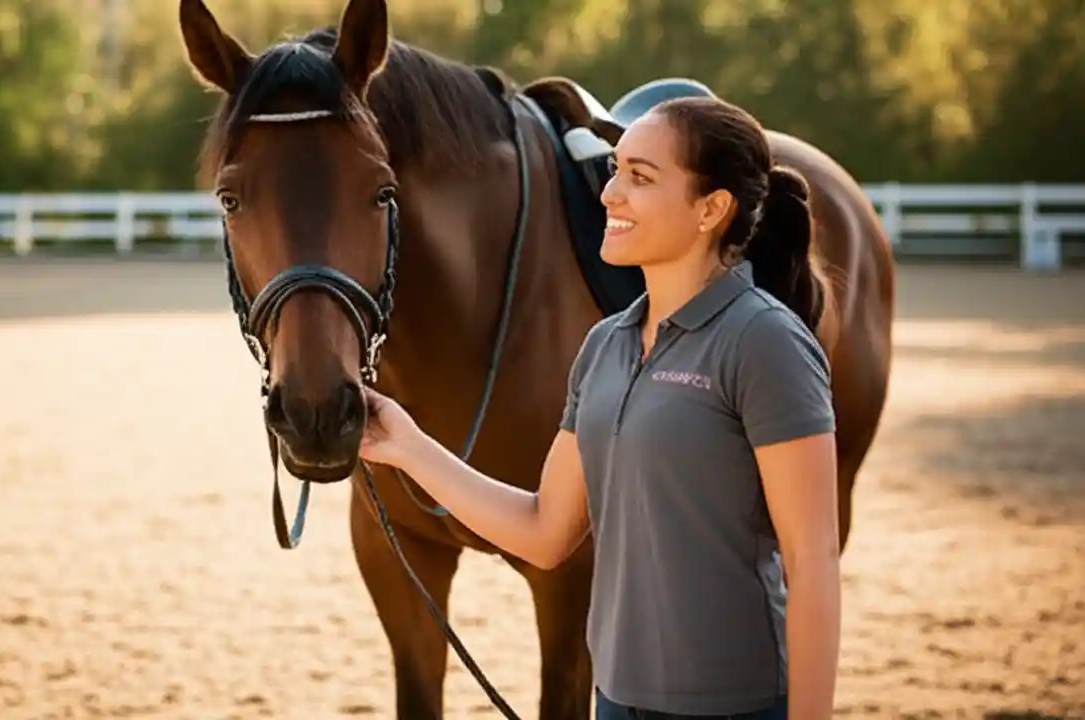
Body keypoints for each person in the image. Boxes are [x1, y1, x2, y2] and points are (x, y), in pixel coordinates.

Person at [359, 96, 840, 720]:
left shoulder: (765, 342)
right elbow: (543, 531)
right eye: (616, 170)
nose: (610, 193)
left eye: (640, 177)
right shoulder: (605, 345)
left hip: (736, 703)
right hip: (615, 700)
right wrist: (408, 446)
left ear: (711, 209)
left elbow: (812, 560)